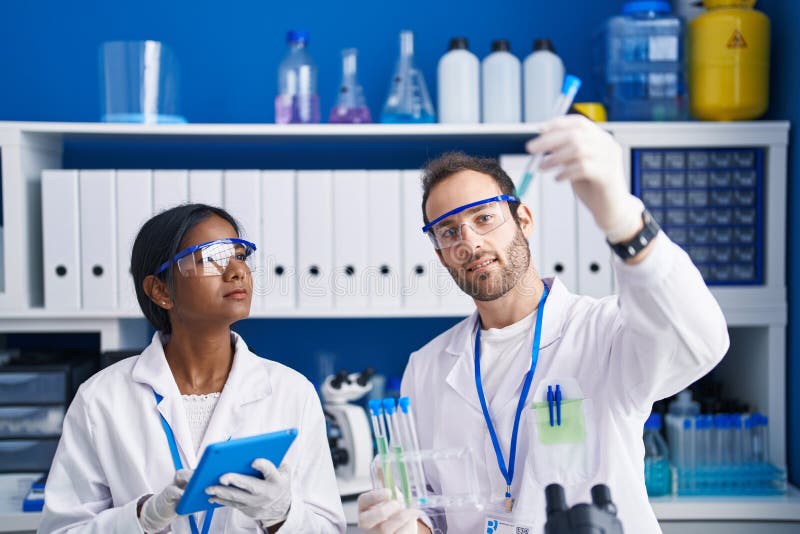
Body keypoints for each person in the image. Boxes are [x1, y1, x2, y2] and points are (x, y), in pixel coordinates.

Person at [358, 115, 729, 533]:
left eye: (483, 218)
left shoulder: (604, 331)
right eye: (448, 231)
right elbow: (423, 507)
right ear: (441, 255)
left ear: (524, 220)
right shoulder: (425, 368)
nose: (470, 242)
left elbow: (701, 342)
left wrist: (624, 220)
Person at [39, 204, 346, 533]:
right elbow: (60, 530)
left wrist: (280, 514)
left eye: (240, 255)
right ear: (161, 290)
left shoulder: (292, 392)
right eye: (212, 258)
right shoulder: (101, 399)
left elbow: (328, 528)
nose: (237, 271)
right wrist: (141, 518)